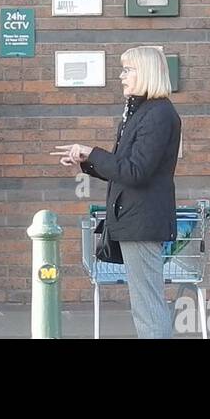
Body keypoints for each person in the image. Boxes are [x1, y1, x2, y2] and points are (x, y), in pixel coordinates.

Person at [54, 46, 181, 338]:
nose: (121, 76)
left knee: (147, 305)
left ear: (146, 72)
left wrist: (92, 152)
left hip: (142, 222)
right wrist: (86, 164)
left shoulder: (159, 114)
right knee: (144, 303)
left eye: (128, 69)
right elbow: (123, 168)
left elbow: (135, 171)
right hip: (132, 220)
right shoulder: (139, 112)